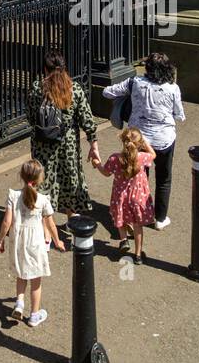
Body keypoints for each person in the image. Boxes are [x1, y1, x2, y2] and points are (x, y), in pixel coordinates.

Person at [102, 52, 184, 229]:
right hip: (164, 139)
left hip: (139, 139)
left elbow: (107, 92)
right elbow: (179, 114)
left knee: (136, 177)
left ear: (148, 68)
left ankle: (134, 214)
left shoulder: (135, 82)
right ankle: (160, 219)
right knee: (164, 178)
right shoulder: (173, 88)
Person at [26, 49, 100, 227]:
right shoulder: (74, 90)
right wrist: (94, 146)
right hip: (68, 146)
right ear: (64, 68)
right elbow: (87, 120)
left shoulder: (37, 88)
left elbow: (30, 117)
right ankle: (72, 222)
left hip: (42, 145)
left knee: (43, 185)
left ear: (45, 69)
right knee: (70, 183)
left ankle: (44, 231)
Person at [0, 160, 65, 327]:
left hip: (18, 241)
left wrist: (1, 239)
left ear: (21, 176)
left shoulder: (13, 196)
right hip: (35, 243)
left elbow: (7, 222)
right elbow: (50, 224)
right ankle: (34, 315)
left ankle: (19, 303)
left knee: (21, 274)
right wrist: (57, 241)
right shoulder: (42, 200)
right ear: (40, 178)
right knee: (36, 280)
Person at [91, 127, 156, 264]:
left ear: (122, 141)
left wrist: (97, 164)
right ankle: (138, 255)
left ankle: (124, 240)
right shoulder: (142, 158)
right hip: (138, 197)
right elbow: (153, 154)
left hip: (120, 196)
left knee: (120, 217)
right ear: (139, 143)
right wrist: (145, 143)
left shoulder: (115, 158)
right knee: (138, 226)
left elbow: (106, 173)